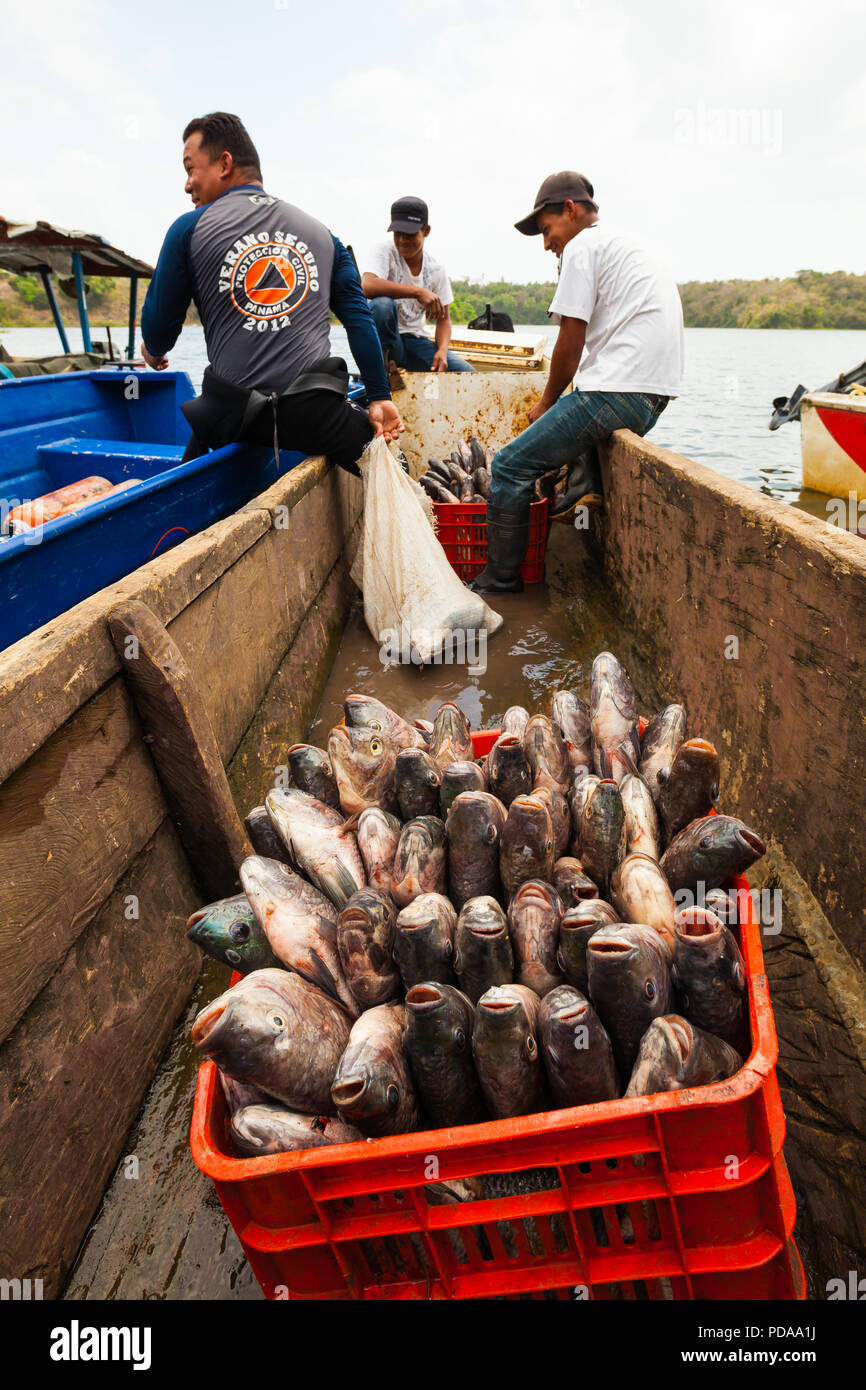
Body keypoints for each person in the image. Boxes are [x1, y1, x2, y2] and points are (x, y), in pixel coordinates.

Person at [141, 112, 402, 471]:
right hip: (316, 417)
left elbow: (159, 330)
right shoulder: (324, 235)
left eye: (190, 169)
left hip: (232, 417)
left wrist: (153, 351)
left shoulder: (188, 229)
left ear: (224, 163)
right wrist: (379, 397)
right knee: (395, 470)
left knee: (185, 493)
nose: (187, 185)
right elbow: (359, 320)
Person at [469, 171, 683, 593]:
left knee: (510, 465)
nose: (547, 243)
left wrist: (546, 403)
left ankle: (500, 582)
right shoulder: (625, 242)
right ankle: (585, 483)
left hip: (617, 390)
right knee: (577, 409)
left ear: (570, 210)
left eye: (547, 230)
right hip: (653, 396)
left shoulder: (582, 246)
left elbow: (571, 339)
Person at [362, 197, 474, 376]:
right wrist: (418, 292)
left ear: (426, 231)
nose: (402, 240)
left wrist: (442, 351)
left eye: (410, 234)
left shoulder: (436, 269)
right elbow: (368, 285)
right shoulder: (384, 251)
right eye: (397, 233)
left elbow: (444, 320)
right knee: (382, 305)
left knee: (468, 375)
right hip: (388, 341)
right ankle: (382, 374)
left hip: (417, 341)